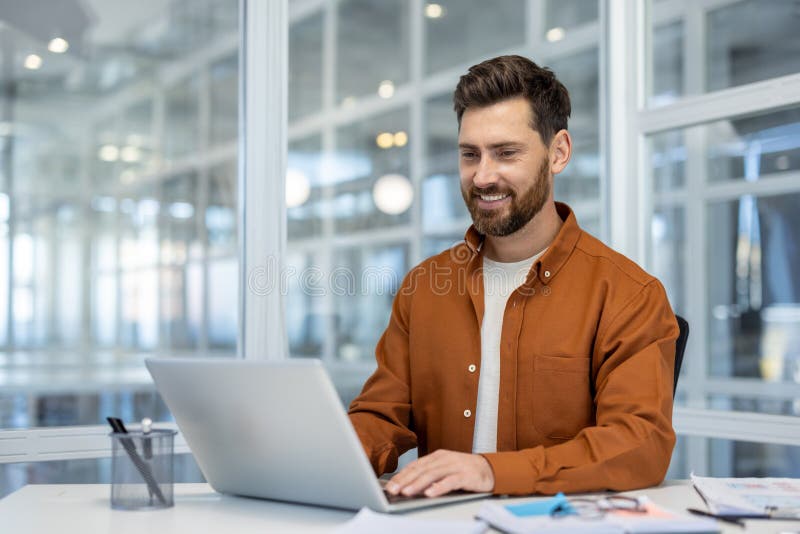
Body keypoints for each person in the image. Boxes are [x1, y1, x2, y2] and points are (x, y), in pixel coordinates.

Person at [347, 55, 678, 497]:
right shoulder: (424, 286)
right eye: (470, 155)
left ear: (557, 152)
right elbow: (381, 416)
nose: (483, 176)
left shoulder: (628, 294)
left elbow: (639, 445)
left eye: (506, 153)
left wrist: (491, 472)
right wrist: (323, 457)